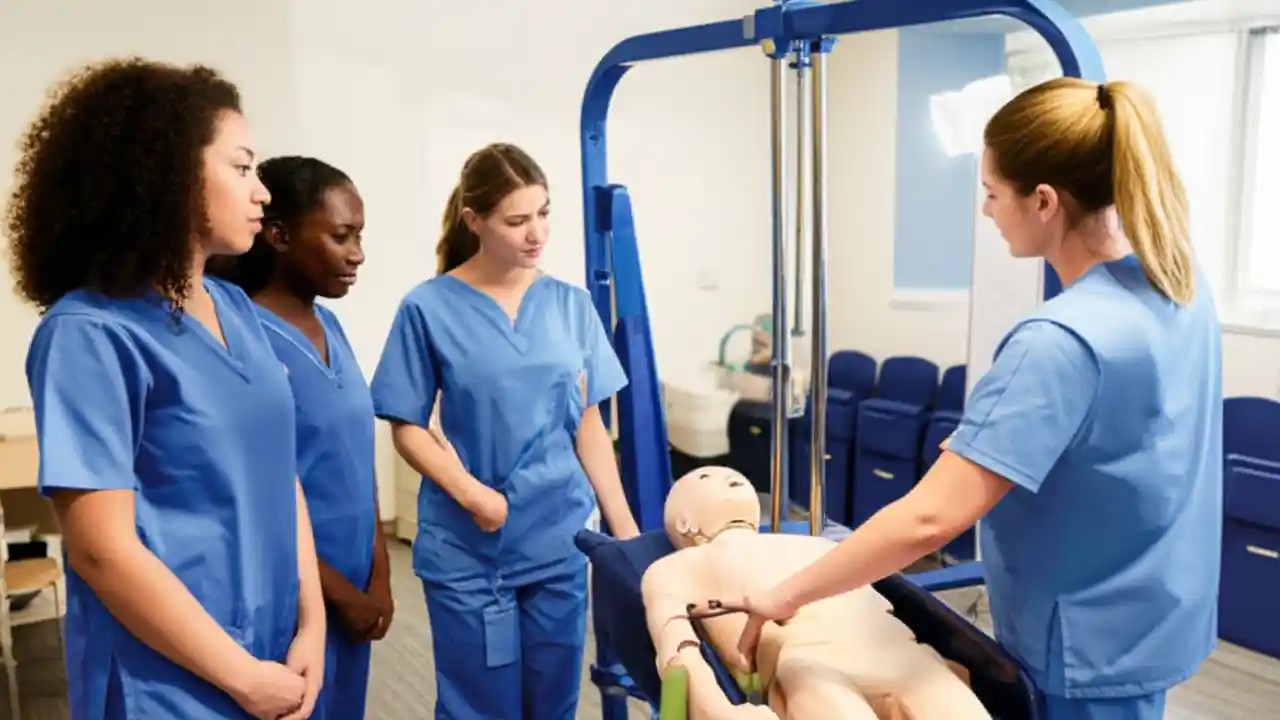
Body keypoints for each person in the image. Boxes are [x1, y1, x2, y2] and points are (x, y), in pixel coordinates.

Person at [727, 78, 1223, 720]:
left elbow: (930, 520)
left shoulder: (1060, 342)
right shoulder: (1182, 288)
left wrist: (786, 595)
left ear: (1044, 201)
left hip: (1081, 650)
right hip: (1152, 620)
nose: (986, 210)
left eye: (992, 193)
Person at [9, 58, 328, 718]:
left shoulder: (235, 308)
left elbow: (280, 470)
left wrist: (313, 621)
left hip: (271, 650)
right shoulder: (90, 333)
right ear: (168, 177)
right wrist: (242, 676)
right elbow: (102, 550)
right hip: (168, 679)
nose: (262, 191)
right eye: (242, 168)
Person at [370, 142, 641, 718]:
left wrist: (625, 534)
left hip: (559, 536)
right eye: (517, 220)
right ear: (474, 221)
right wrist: (474, 496)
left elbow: (588, 424)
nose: (536, 233)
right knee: (480, 707)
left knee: (553, 703)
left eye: (544, 213)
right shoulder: (429, 308)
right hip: (471, 547)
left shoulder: (570, 305)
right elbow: (406, 425)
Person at [206, 155, 392, 719]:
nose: (357, 254)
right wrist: (337, 595)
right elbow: (262, 492)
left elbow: (355, 462)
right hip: (293, 600)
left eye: (360, 235)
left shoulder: (330, 325)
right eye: (341, 236)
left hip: (357, 589)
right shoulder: (243, 338)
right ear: (280, 236)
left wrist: (380, 575)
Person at [642, 466, 991, 720]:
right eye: (705, 477)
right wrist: (719, 710)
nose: (728, 476)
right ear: (686, 523)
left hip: (898, 649)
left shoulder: (819, 543)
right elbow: (676, 651)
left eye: (732, 474)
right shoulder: (676, 567)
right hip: (811, 662)